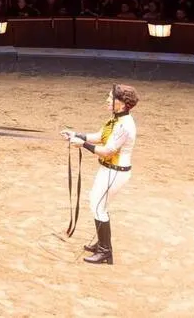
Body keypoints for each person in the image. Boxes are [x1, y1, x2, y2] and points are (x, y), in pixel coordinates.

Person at [60, 83, 139, 265]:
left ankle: (105, 251)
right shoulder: (116, 120)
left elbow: (108, 150)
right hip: (109, 170)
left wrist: (82, 144)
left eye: (111, 98)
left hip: (114, 172)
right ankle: (102, 245)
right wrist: (76, 134)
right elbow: (99, 136)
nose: (107, 100)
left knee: (98, 206)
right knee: (98, 204)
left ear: (122, 103)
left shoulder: (124, 125)